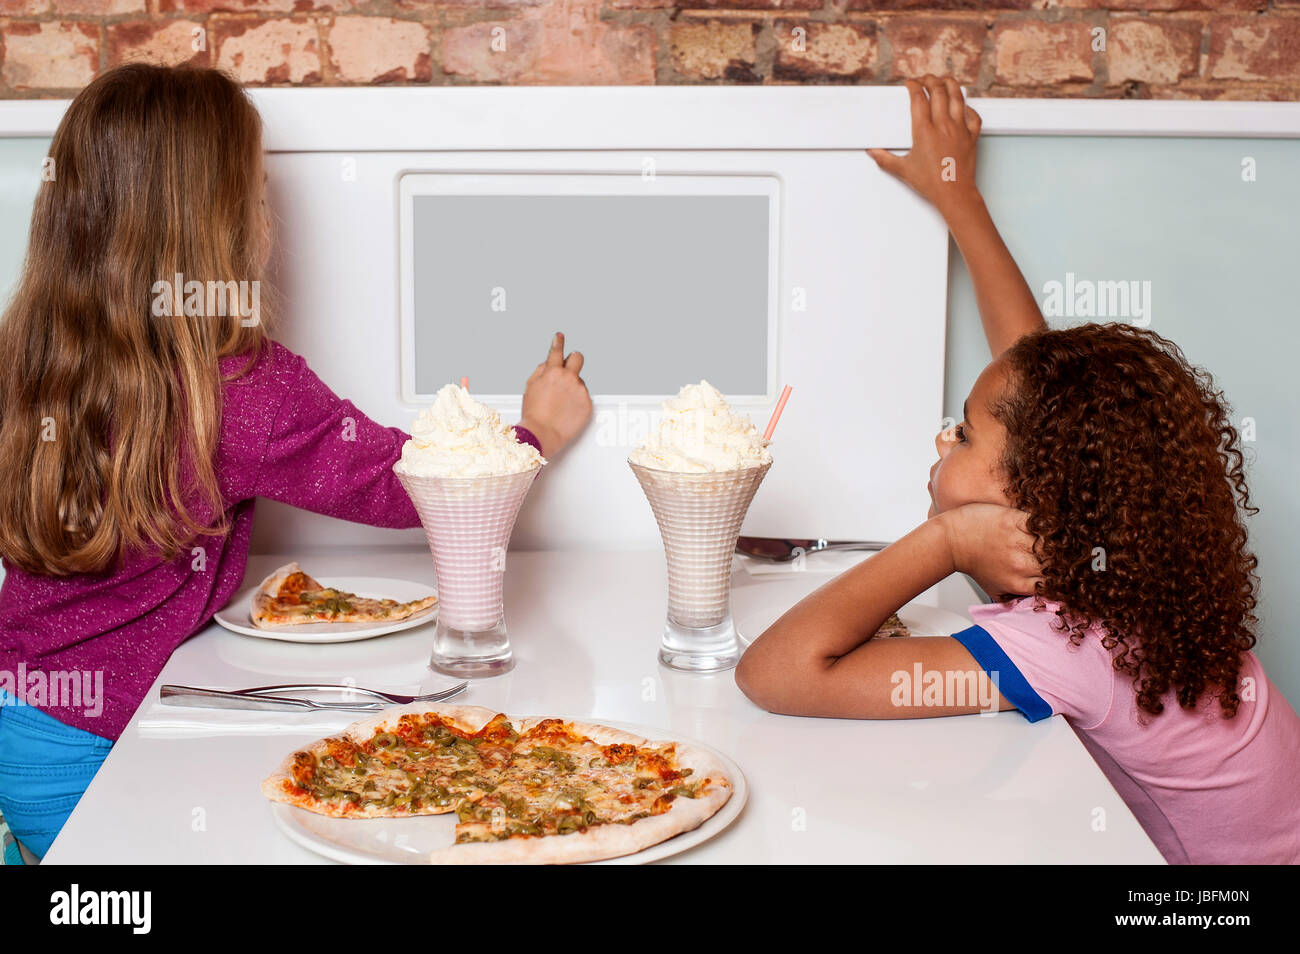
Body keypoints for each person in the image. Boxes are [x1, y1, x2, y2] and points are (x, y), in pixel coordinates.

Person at [0, 63, 593, 863]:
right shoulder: (245, 391)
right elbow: (419, 486)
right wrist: (537, 432)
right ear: (221, 228)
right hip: (100, 759)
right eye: (256, 195)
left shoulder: (25, 360)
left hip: (20, 728)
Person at [735, 76, 1300, 865]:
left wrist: (949, 543)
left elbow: (776, 672)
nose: (941, 442)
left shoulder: (1064, 648)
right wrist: (958, 198)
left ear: (1035, 500)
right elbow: (1029, 381)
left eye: (960, 436)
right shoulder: (1121, 587)